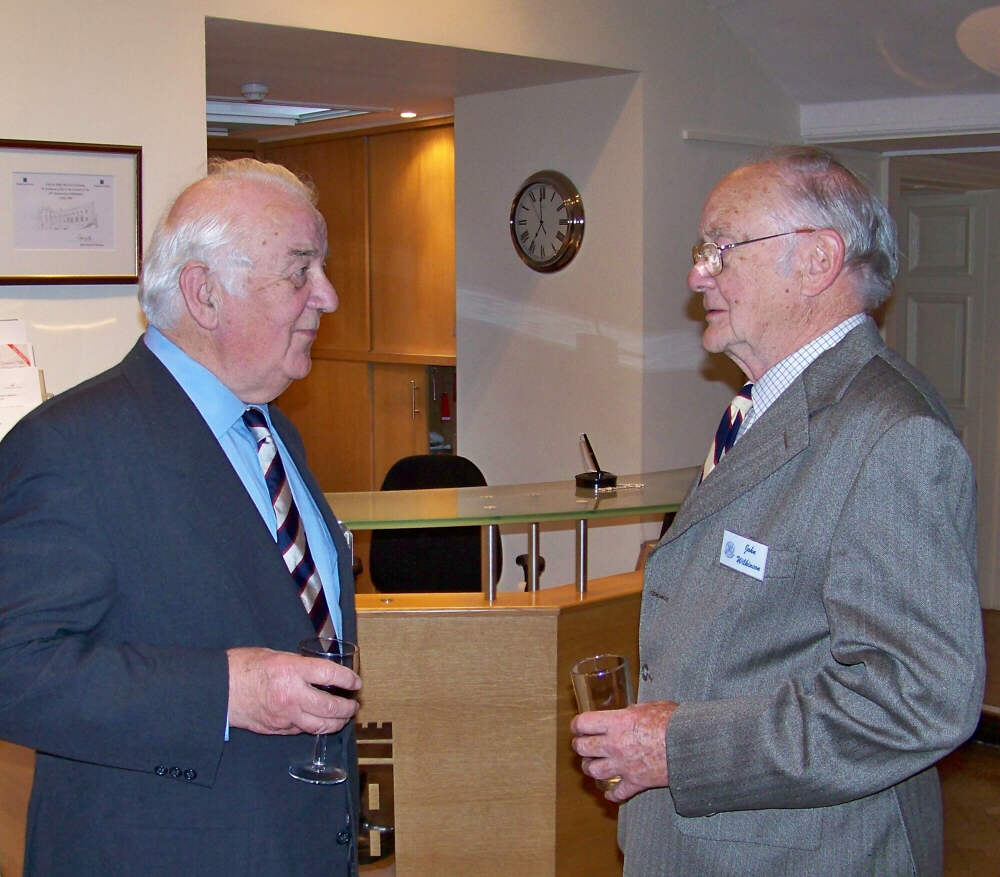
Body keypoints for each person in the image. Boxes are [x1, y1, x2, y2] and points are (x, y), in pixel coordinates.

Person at [571, 146, 985, 875]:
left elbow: (921, 697)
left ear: (819, 260)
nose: (698, 273)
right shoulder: (764, 405)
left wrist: (680, 747)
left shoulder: (891, 434)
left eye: (721, 248)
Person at [0, 159, 362, 876]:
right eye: (300, 271)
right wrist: (228, 691)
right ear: (205, 294)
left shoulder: (272, 431)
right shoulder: (71, 445)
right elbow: (13, 668)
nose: (328, 294)